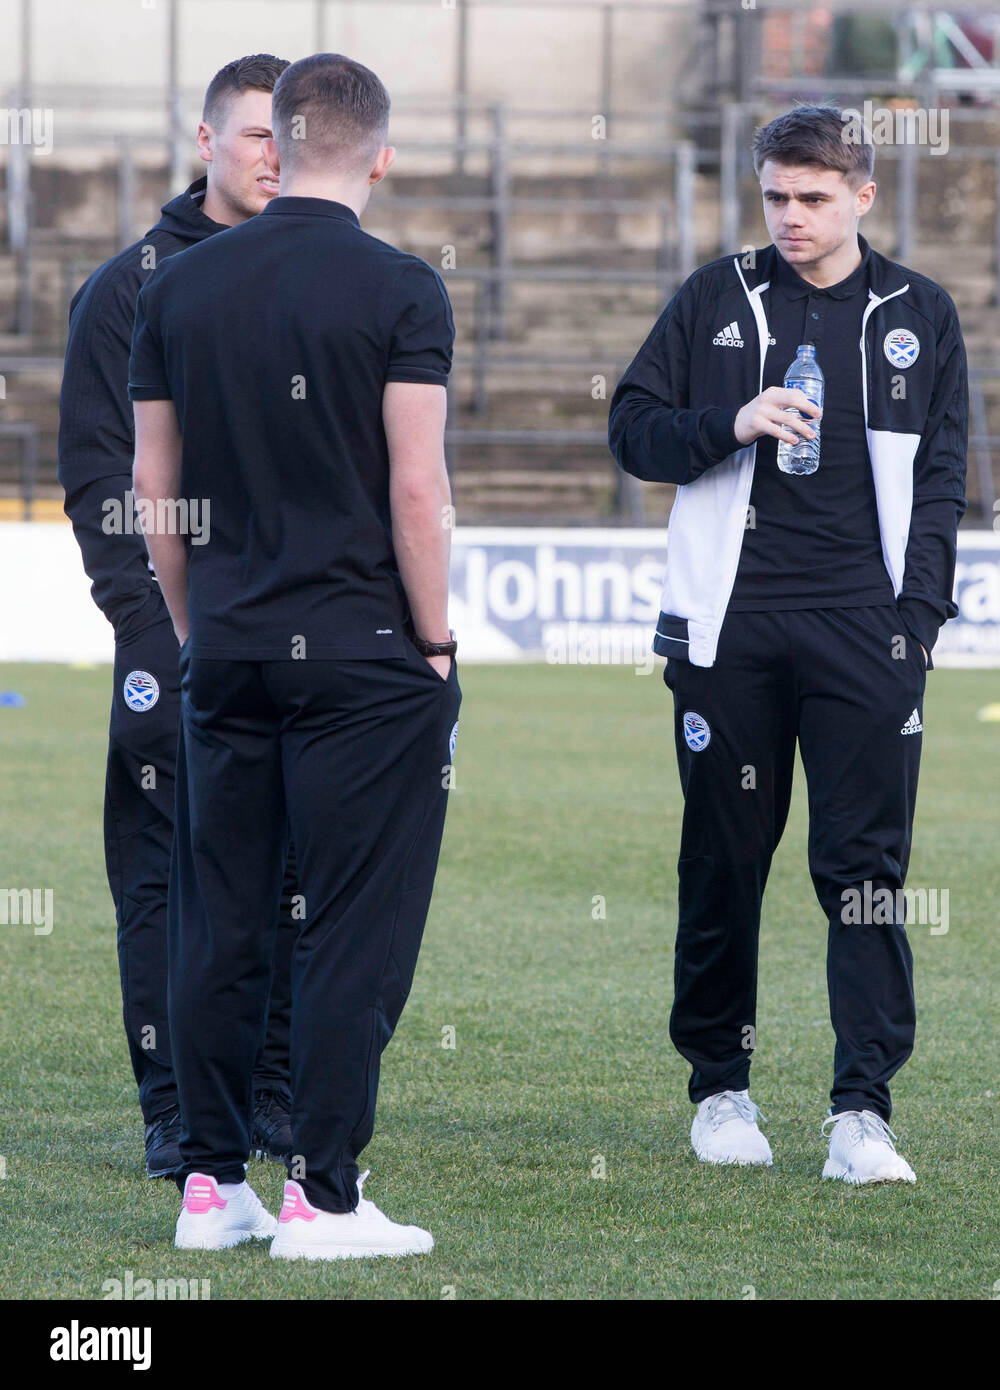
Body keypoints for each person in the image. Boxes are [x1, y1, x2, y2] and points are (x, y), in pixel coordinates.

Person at [130, 52, 460, 1257]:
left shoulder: (177, 285)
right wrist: (435, 641)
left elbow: (150, 494)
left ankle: (210, 1191)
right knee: (348, 924)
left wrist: (190, 625)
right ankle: (325, 1194)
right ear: (379, 152)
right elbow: (416, 490)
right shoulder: (400, 287)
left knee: (219, 919)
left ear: (282, 136)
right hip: (366, 654)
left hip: (227, 646)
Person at [609, 103, 968, 1184]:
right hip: (730, 636)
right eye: (775, 196)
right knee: (722, 863)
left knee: (861, 874)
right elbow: (630, 430)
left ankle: (861, 1110)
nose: (792, 217)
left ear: (862, 194)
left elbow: (944, 482)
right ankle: (719, 1089)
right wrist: (727, 421)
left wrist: (915, 625)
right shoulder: (716, 297)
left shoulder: (919, 313)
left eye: (814, 198)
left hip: (865, 635)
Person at [57, 53, 296, 1178]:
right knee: (163, 875)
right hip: (175, 636)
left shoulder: (328, 273)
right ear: (204, 140)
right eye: (252, 134)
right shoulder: (130, 285)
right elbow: (102, 478)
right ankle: (171, 1104)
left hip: (297, 633)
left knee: (290, 867)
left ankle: (272, 1094)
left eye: (286, 135)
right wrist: (155, 628)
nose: (270, 154)